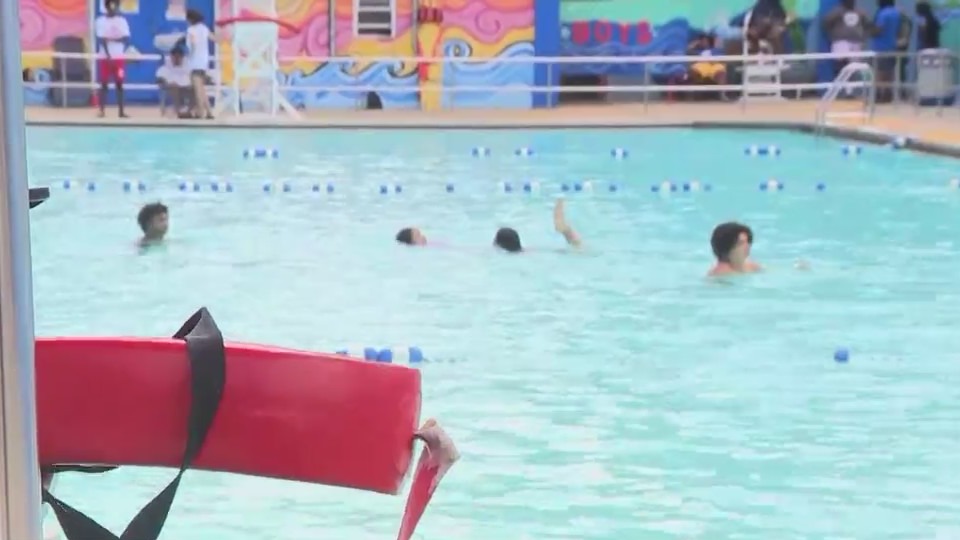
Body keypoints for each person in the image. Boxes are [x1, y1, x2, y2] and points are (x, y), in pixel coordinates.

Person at [493, 198, 581, 253]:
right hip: (555, 253)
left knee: (576, 247)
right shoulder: (532, 251)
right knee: (577, 247)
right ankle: (564, 229)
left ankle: (565, 229)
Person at [95, 0, 130, 118]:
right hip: (105, 58)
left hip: (119, 57)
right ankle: (101, 110)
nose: (113, 9)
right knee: (104, 84)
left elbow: (125, 38)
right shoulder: (100, 21)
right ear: (107, 7)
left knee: (119, 84)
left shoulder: (122, 21)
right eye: (110, 6)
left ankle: (121, 111)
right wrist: (108, 56)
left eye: (115, 6)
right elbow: (102, 39)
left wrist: (111, 40)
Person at [822, 0, 871, 77]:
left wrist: (863, 36)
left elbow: (867, 25)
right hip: (840, 43)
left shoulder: (860, 12)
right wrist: (832, 35)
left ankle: (851, 84)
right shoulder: (836, 12)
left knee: (854, 67)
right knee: (841, 64)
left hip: (856, 43)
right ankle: (841, 84)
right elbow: (826, 22)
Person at [872, 0, 904, 103]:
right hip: (892, 46)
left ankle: (879, 94)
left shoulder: (883, 13)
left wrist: (869, 31)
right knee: (889, 72)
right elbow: (899, 30)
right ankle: (888, 94)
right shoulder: (896, 13)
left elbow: (878, 29)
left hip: (881, 47)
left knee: (879, 72)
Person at [186, 9, 215, 119]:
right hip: (204, 62)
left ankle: (200, 112)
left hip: (195, 62)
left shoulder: (191, 30)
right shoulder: (204, 28)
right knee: (202, 89)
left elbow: (192, 44)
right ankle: (209, 112)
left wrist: (191, 54)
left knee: (198, 89)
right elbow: (213, 38)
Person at [156, 47, 192, 118]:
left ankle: (189, 111)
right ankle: (178, 111)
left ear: (182, 57)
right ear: (171, 57)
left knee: (196, 90)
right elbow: (159, 80)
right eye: (175, 56)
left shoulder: (188, 67)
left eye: (179, 57)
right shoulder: (165, 68)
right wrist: (167, 84)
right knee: (174, 88)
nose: (177, 59)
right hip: (172, 88)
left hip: (186, 88)